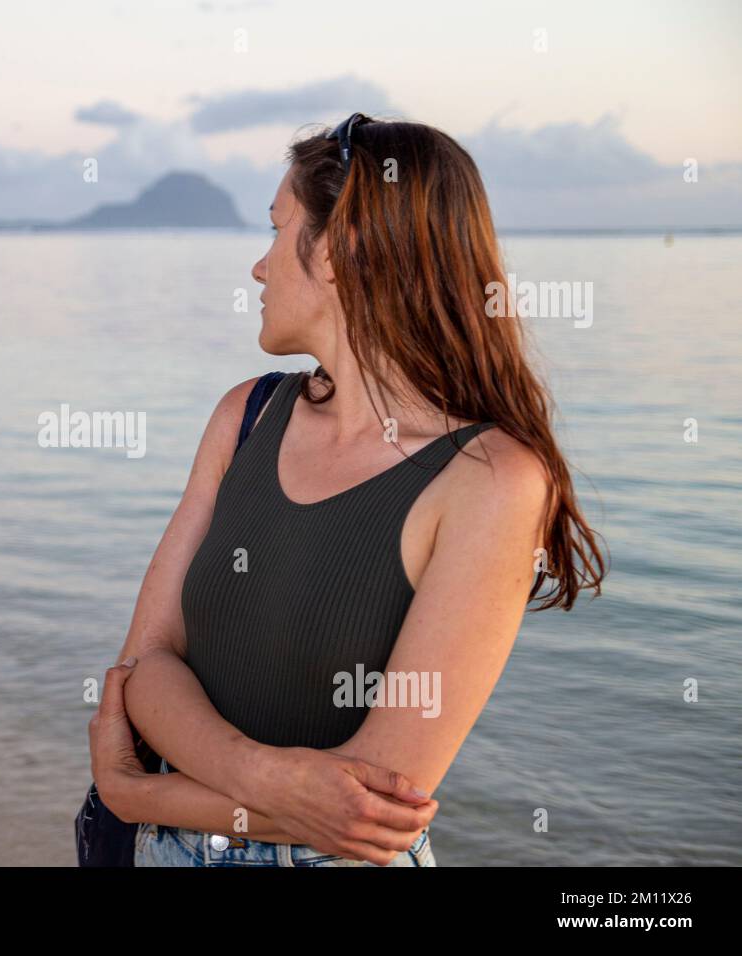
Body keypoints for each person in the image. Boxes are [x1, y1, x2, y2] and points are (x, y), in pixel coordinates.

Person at [86, 114, 606, 867]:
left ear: (336, 250)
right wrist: (268, 775)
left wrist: (142, 796)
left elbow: (377, 805)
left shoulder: (492, 481)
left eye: (275, 229)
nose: (259, 267)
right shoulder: (246, 416)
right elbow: (145, 665)